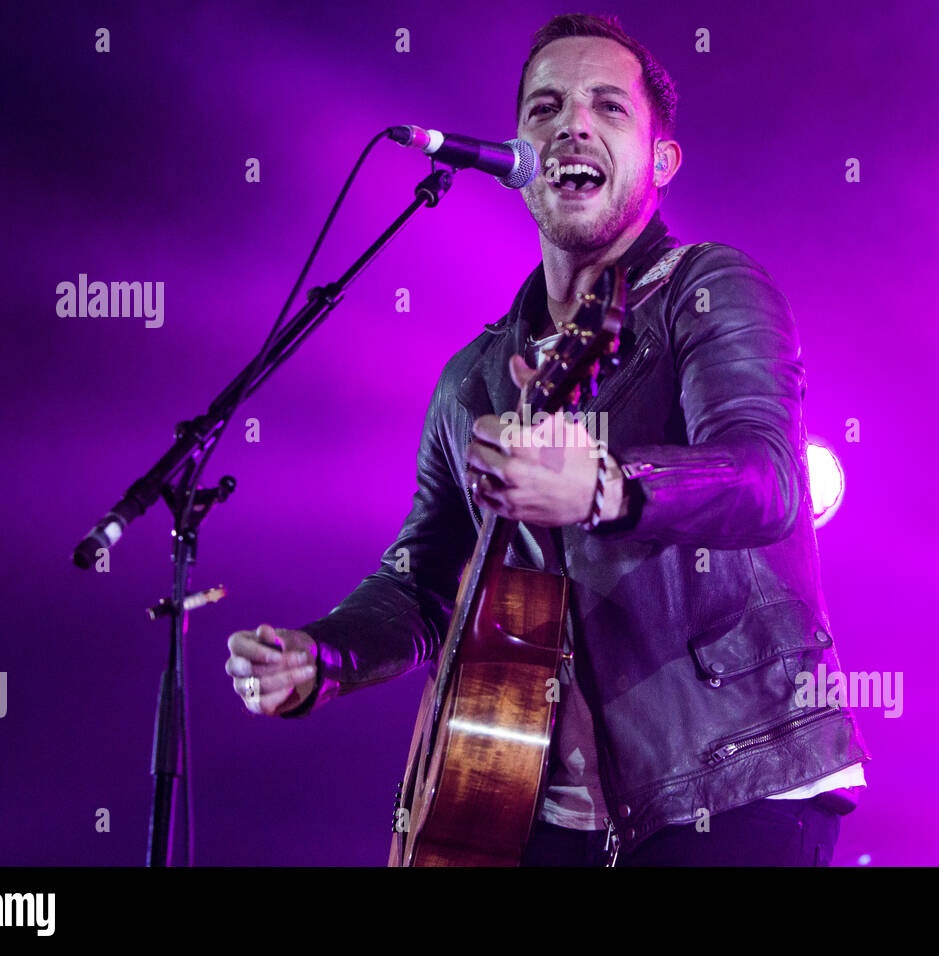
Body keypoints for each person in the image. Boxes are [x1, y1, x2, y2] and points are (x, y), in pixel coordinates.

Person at [224, 12, 870, 866]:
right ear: (518, 163)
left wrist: (606, 486)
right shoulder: (475, 379)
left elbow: (766, 477)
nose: (572, 123)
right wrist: (322, 656)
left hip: (731, 780)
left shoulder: (709, 289)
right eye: (545, 108)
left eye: (609, 107)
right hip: (546, 814)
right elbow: (420, 581)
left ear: (661, 161)